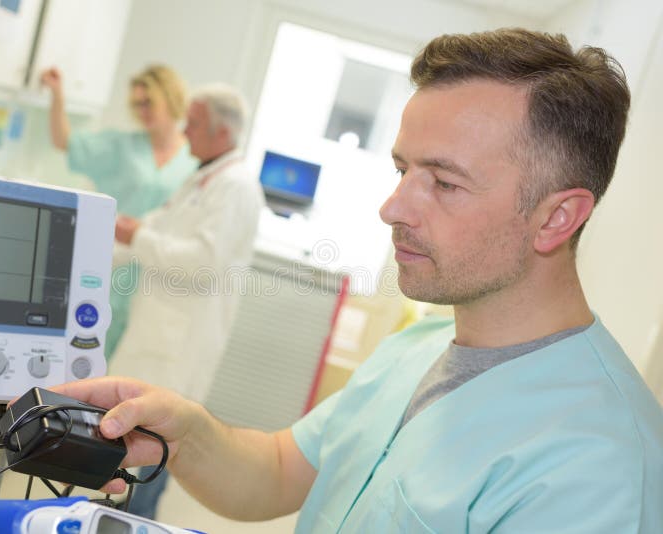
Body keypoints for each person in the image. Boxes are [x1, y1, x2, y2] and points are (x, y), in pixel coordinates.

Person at [53, 29, 663, 532]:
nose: (393, 207)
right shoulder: (417, 347)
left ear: (557, 217)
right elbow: (279, 471)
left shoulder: (600, 470)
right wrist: (181, 432)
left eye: (444, 183)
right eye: (402, 169)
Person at [108, 83, 264, 518]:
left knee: (153, 459)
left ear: (221, 133)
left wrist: (136, 235)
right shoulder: (202, 177)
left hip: (179, 349)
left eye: (192, 123)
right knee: (129, 458)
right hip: (156, 337)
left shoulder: (235, 187)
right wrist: (113, 241)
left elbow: (200, 263)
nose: (183, 130)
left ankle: (135, 526)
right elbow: (154, 229)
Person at [40, 64, 198, 359]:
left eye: (149, 102)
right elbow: (64, 141)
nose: (142, 110)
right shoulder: (122, 147)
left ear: (170, 98)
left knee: (132, 367)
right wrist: (58, 95)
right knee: (83, 357)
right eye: (136, 104)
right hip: (109, 268)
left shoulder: (195, 160)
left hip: (158, 276)